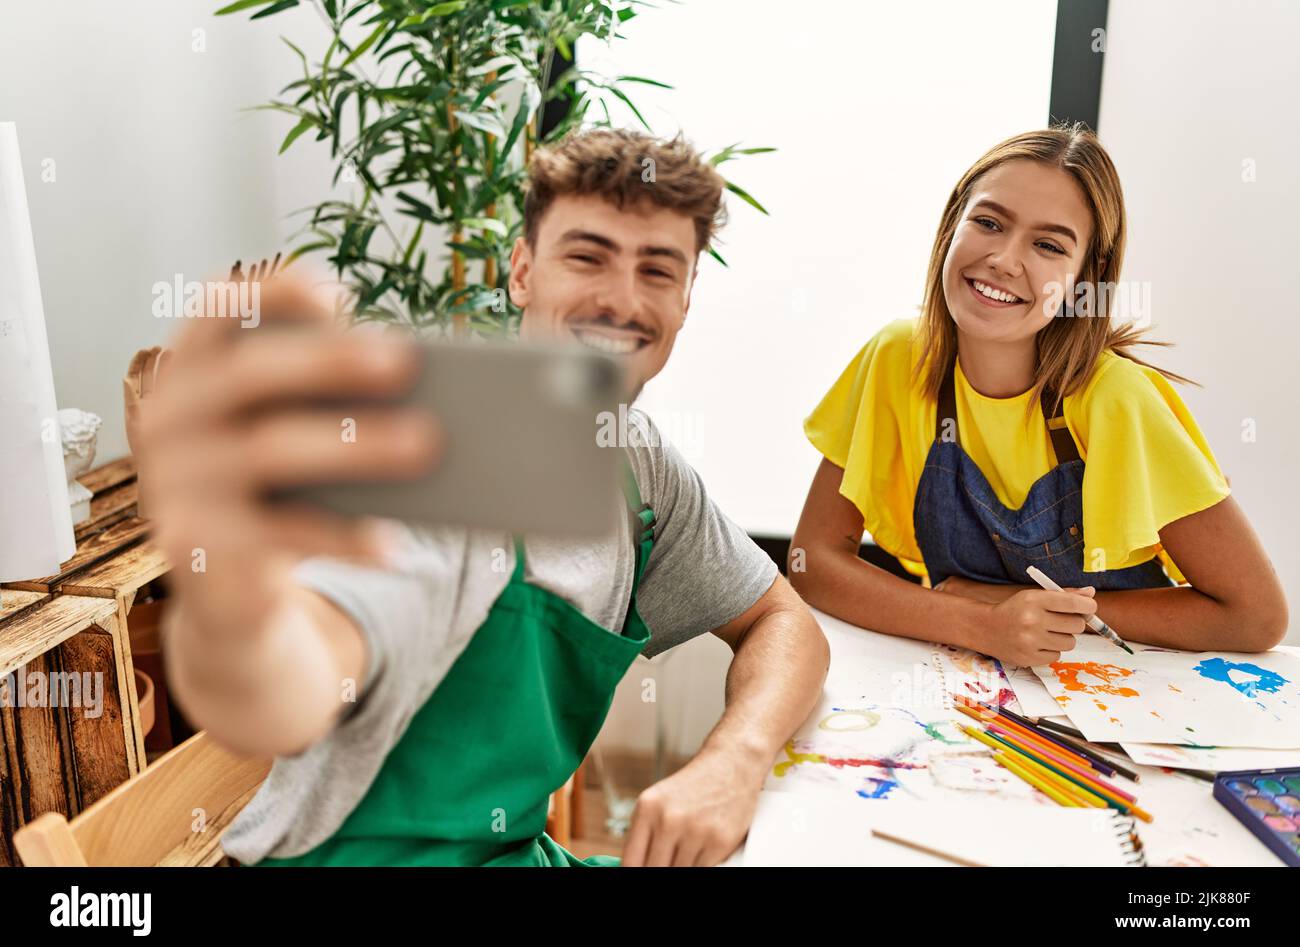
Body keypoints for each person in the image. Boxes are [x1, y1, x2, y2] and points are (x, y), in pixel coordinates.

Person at [139, 127, 828, 867]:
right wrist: (234, 607)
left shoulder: (639, 470)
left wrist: (735, 759)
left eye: (658, 271)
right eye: (588, 256)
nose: (621, 300)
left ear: (686, 301)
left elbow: (782, 619)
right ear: (523, 271)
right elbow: (291, 683)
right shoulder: (433, 457)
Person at [790, 124, 1287, 667]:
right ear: (951, 226)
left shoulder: (1115, 400)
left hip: (1113, 693)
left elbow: (1254, 617)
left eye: (1048, 245)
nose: (1005, 259)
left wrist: (1022, 609)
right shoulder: (898, 358)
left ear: (1085, 278)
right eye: (988, 222)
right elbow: (811, 561)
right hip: (965, 680)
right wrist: (983, 623)